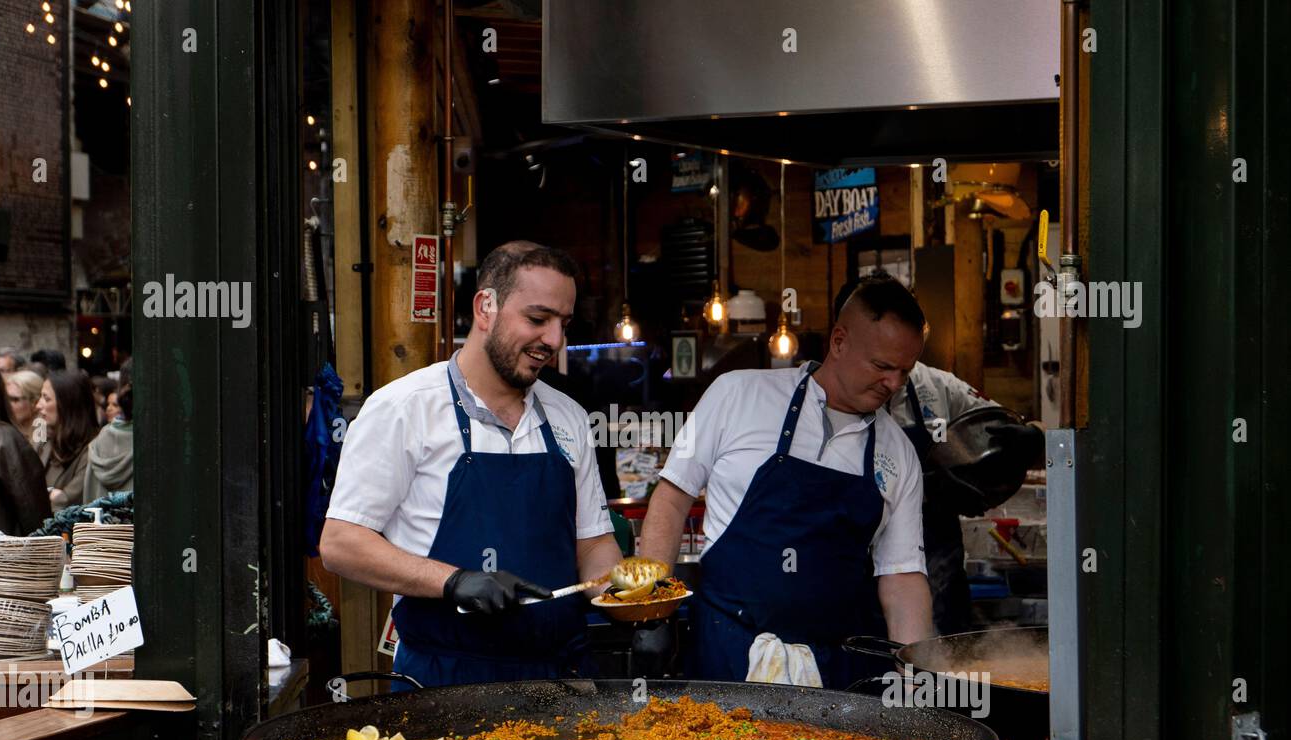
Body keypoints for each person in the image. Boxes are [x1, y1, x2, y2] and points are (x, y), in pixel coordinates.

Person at [320, 241, 623, 688]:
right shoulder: (405, 408)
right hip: (444, 683)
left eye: (563, 324)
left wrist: (622, 600)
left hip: (559, 680)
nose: (555, 341)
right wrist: (454, 581)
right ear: (486, 307)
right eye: (538, 319)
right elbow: (341, 543)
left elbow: (593, 545)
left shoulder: (569, 417)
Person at [639, 274, 933, 687]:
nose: (895, 383)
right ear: (839, 341)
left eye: (906, 371)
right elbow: (671, 498)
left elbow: (901, 576)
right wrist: (653, 606)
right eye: (883, 366)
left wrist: (915, 680)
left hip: (839, 671)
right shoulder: (737, 395)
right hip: (729, 656)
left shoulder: (898, 452)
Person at [834, 276, 1046, 635]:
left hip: (936, 583)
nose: (895, 381)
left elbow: (1012, 431)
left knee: (936, 684)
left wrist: (1032, 439)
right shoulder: (818, 401)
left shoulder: (937, 387)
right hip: (846, 587)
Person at [0, 371, 51, 535]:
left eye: (16, 399)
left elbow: (34, 514)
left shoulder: (9, 438)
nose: (11, 404)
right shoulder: (5, 439)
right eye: (9, 398)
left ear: (33, 402)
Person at [36, 370, 100, 511]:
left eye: (46, 399)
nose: (38, 405)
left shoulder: (95, 449)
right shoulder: (44, 440)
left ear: (67, 404)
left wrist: (55, 497)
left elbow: (67, 502)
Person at [85, 382, 133, 502]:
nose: (109, 408)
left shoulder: (100, 438)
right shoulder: (151, 439)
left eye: (115, 405)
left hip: (102, 515)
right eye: (108, 404)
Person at [4, 369, 44, 449]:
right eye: (5, 398)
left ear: (35, 402)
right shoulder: (3, 431)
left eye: (14, 399)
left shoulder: (46, 438)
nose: (7, 404)